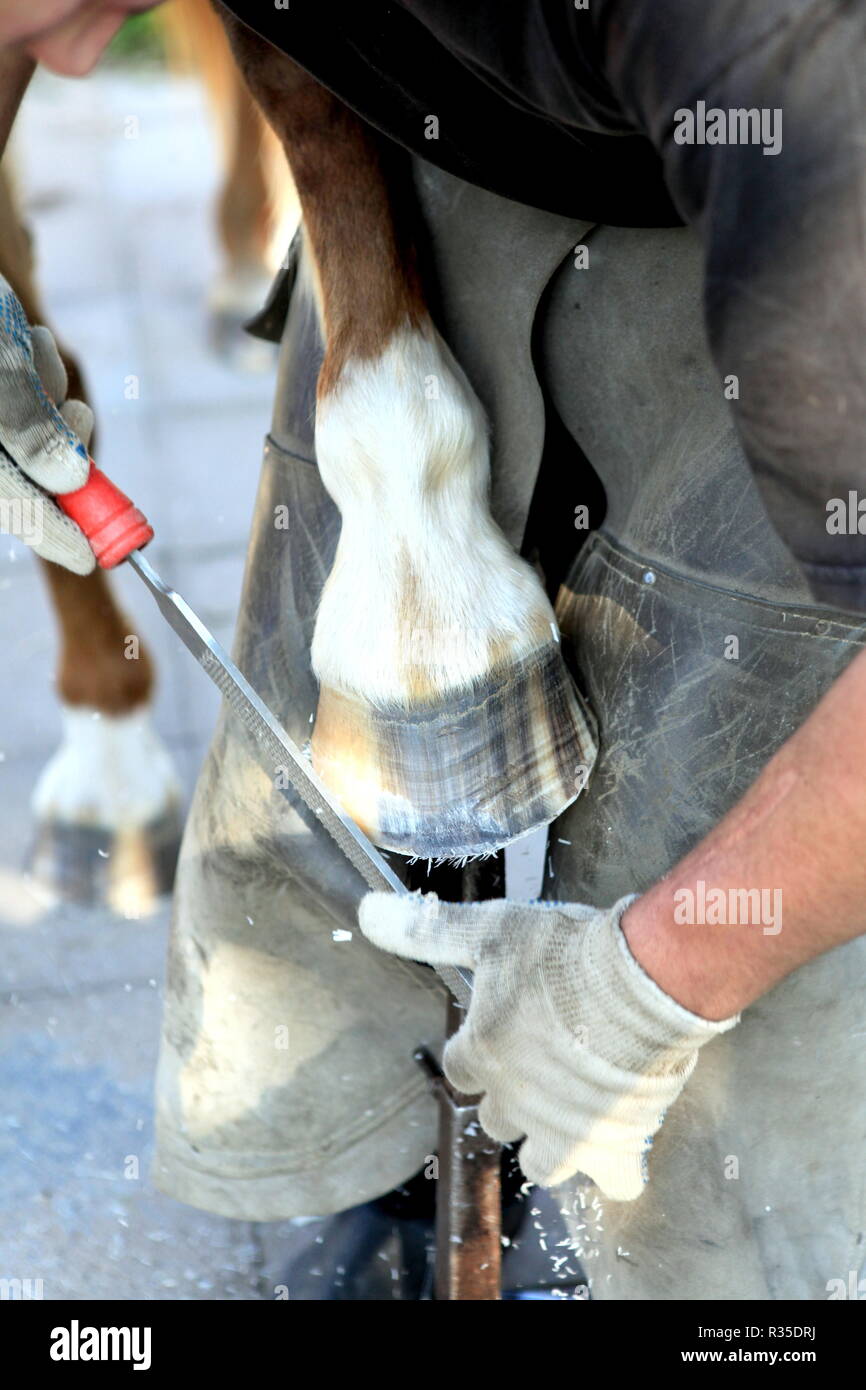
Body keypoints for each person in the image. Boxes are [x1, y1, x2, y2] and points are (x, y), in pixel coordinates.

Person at [1, 0, 864, 1300]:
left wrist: (660, 976)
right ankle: (396, 1168)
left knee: (724, 793)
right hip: (441, 129)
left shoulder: (771, 55)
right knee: (322, 746)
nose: (77, 62)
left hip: (787, 232)